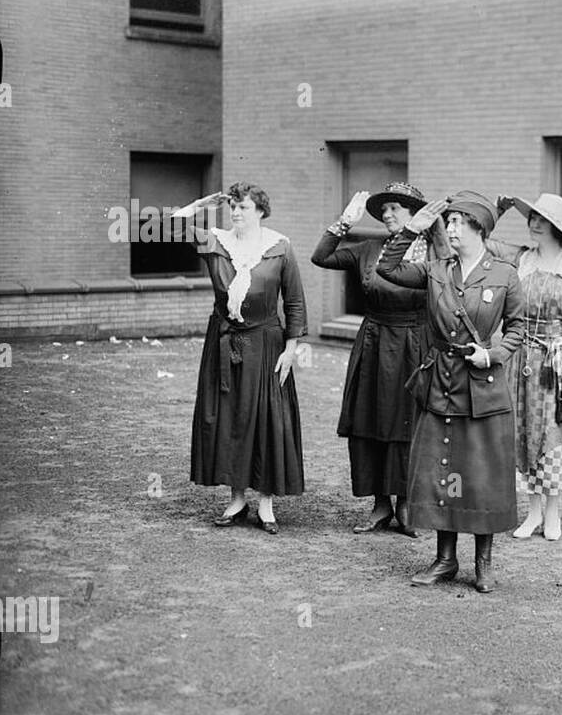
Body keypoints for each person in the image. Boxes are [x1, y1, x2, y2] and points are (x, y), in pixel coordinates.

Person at [375, 191, 525, 592]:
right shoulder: (435, 270)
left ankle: (483, 563)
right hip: (441, 382)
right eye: (450, 221)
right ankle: (444, 559)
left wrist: (491, 355)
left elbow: (517, 330)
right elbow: (387, 269)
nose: (451, 228)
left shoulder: (505, 274)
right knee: (445, 468)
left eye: (459, 222)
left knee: (481, 475)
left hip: (483, 388)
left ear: (480, 229)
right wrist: (411, 229)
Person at [311, 182, 448, 536]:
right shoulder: (368, 249)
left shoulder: (433, 254)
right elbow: (321, 257)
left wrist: (435, 229)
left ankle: (405, 504)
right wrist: (343, 223)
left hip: (414, 345)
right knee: (369, 420)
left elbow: (451, 279)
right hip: (372, 342)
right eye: (383, 210)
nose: (387, 215)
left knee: (407, 423)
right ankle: (380, 505)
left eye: (395, 209)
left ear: (413, 213)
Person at [172, 182, 307, 534]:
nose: (235, 212)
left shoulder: (279, 248)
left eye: (243, 207)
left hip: (266, 345)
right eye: (232, 207)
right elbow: (167, 227)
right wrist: (199, 203)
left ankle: (265, 503)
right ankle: (236, 499)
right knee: (230, 419)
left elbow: (293, 302)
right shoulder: (216, 242)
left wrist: (291, 351)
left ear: (260, 211)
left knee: (265, 419)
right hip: (224, 343)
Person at [489, 193, 562, 542]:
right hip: (520, 356)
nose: (533, 223)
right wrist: (499, 210)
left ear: (556, 227)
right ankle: (533, 512)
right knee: (522, 431)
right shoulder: (520, 258)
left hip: (558, 359)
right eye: (532, 217)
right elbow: (482, 242)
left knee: (555, 434)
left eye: (541, 219)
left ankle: (553, 513)